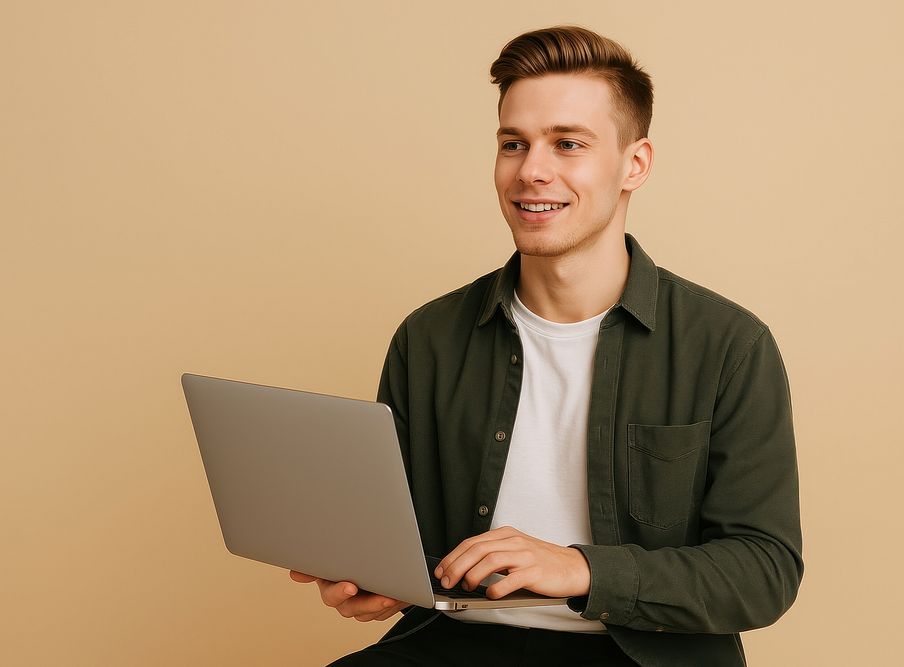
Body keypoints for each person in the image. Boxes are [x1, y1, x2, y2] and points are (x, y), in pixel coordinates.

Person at [291, 25, 803, 666]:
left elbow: (764, 570)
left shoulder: (729, 345)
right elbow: (399, 535)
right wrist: (371, 576)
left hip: (640, 656)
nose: (531, 171)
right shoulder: (428, 339)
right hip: (453, 644)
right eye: (514, 144)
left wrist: (580, 569)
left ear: (635, 164)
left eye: (568, 144)